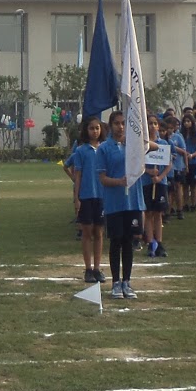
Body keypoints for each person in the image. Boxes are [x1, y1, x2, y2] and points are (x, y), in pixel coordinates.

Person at [95, 112, 143, 299]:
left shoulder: (133, 146)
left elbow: (152, 147)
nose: (120, 127)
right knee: (116, 241)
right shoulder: (104, 148)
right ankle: (116, 282)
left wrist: (139, 140)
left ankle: (127, 282)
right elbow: (102, 178)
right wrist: (119, 182)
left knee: (128, 242)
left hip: (132, 202)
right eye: (116, 123)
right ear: (110, 125)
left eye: (123, 123)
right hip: (115, 203)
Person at [67, 118, 106, 284]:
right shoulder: (81, 151)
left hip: (102, 196)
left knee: (99, 232)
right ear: (86, 130)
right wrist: (77, 198)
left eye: (97, 128)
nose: (95, 131)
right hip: (86, 196)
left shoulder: (104, 149)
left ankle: (97, 268)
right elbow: (78, 175)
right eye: (91, 128)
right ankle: (88, 268)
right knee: (87, 232)